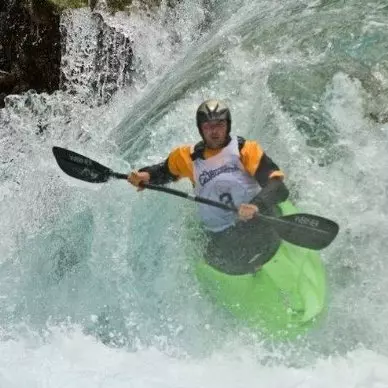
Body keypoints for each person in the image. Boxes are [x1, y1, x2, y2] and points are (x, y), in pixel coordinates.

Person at [127, 99, 289, 275]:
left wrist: (256, 205)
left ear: (228, 125)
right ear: (200, 129)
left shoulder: (245, 150)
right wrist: (145, 176)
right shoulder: (186, 157)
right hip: (221, 235)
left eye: (219, 125)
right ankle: (239, 272)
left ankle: (266, 260)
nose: (214, 132)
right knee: (217, 257)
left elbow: (278, 187)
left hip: (258, 222)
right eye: (207, 126)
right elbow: (163, 171)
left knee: (260, 235)